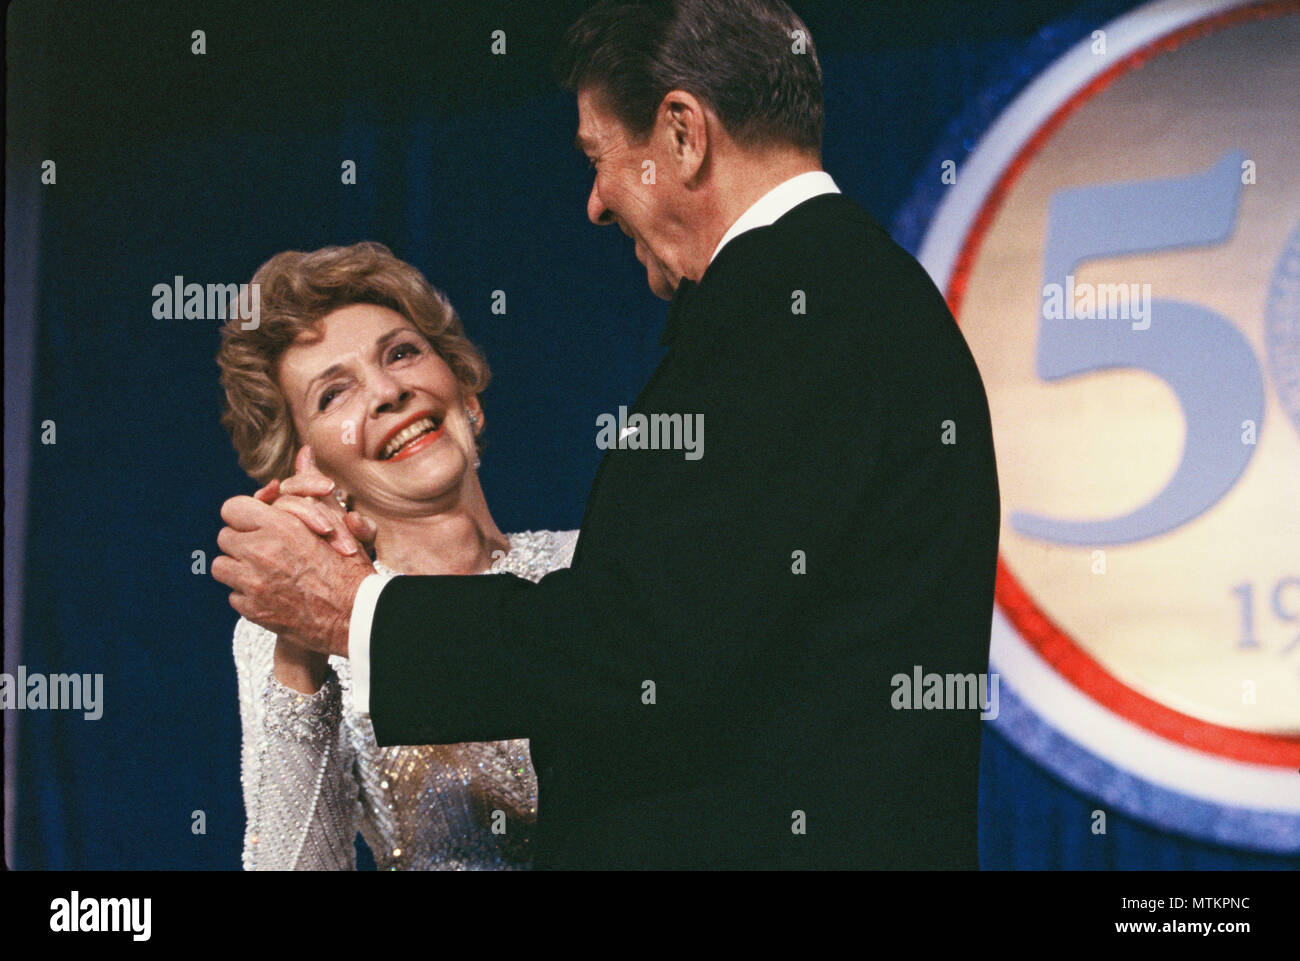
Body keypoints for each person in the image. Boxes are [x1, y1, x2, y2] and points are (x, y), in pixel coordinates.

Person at [214, 0, 1000, 869]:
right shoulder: (829, 293)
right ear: (300, 462)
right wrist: (314, 634)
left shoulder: (796, 311)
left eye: (598, 158)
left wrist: (352, 610)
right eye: (335, 392)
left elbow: (652, 646)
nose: (593, 204)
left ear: (683, 135)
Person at [218, 242, 577, 869]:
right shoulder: (280, 642)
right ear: (309, 466)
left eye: (403, 353)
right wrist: (302, 647)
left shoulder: (591, 565)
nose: (387, 391)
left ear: (465, 388)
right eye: (333, 394)